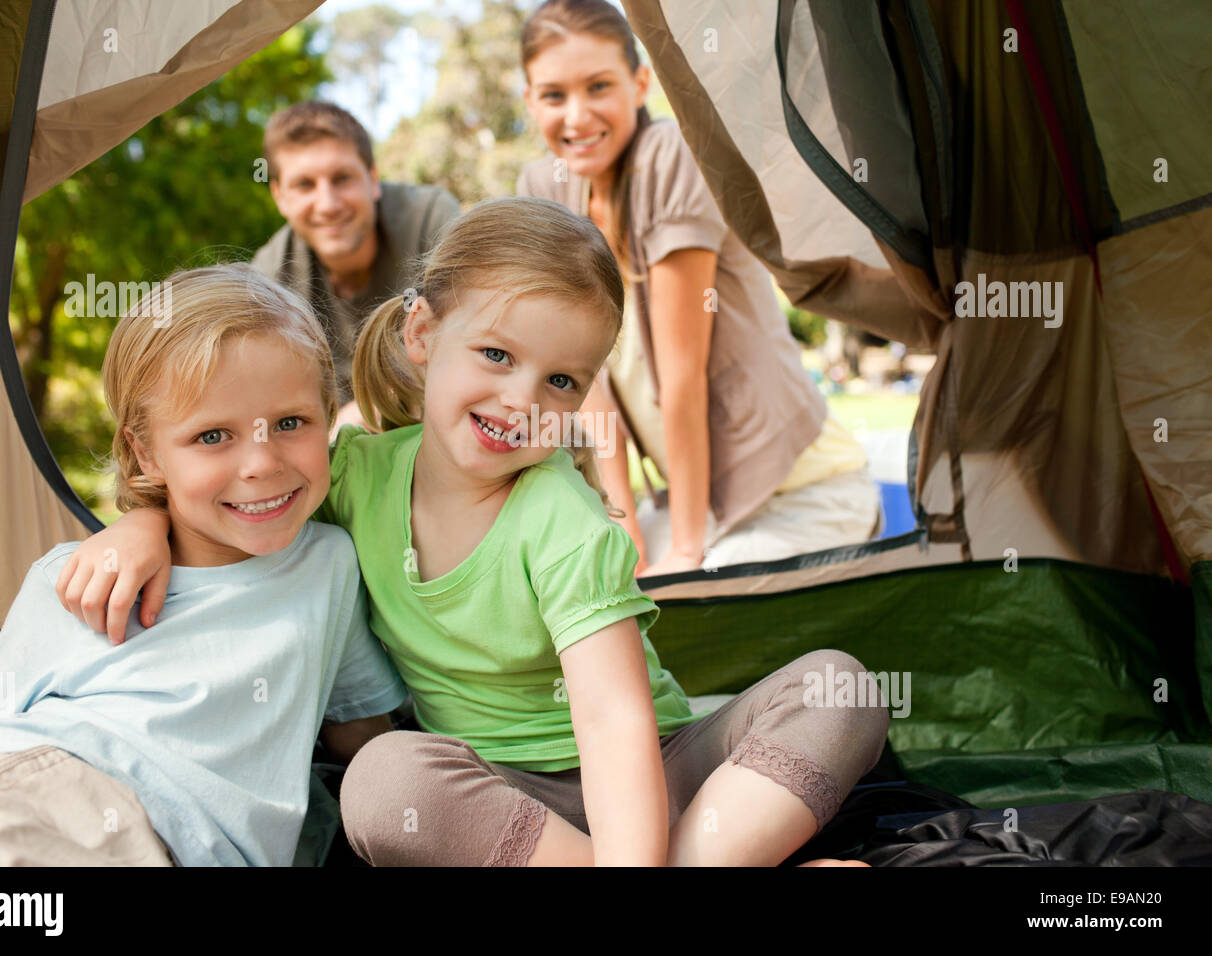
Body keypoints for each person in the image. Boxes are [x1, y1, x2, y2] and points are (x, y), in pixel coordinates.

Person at [54, 198, 889, 867]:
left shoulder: (559, 518)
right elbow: (249, 490)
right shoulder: (358, 473)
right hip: (502, 805)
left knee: (841, 688)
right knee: (380, 782)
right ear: (422, 335)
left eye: (560, 379)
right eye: (496, 355)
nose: (522, 400)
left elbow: (611, 724)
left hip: (657, 770)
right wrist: (142, 521)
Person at [0, 266, 407, 866]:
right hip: (40, 790)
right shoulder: (79, 577)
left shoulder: (331, 564)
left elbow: (360, 729)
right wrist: (143, 520)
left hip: (187, 846)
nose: (261, 463)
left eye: (289, 423)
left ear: (328, 418)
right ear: (145, 452)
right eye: (212, 436)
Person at [517, 0, 881, 577]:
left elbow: (682, 377)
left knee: (684, 605)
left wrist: (686, 554)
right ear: (530, 102)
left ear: (639, 84)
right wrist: (625, 529)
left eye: (599, 86)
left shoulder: (669, 157)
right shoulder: (548, 191)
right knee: (583, 578)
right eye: (555, 95)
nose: (578, 115)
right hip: (709, 508)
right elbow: (589, 390)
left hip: (803, 494)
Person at [252, 101, 462, 429]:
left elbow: (472, 345)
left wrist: (362, 415)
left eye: (342, 178)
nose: (328, 204)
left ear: (373, 179)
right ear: (280, 196)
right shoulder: (269, 278)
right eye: (305, 185)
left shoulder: (430, 221)